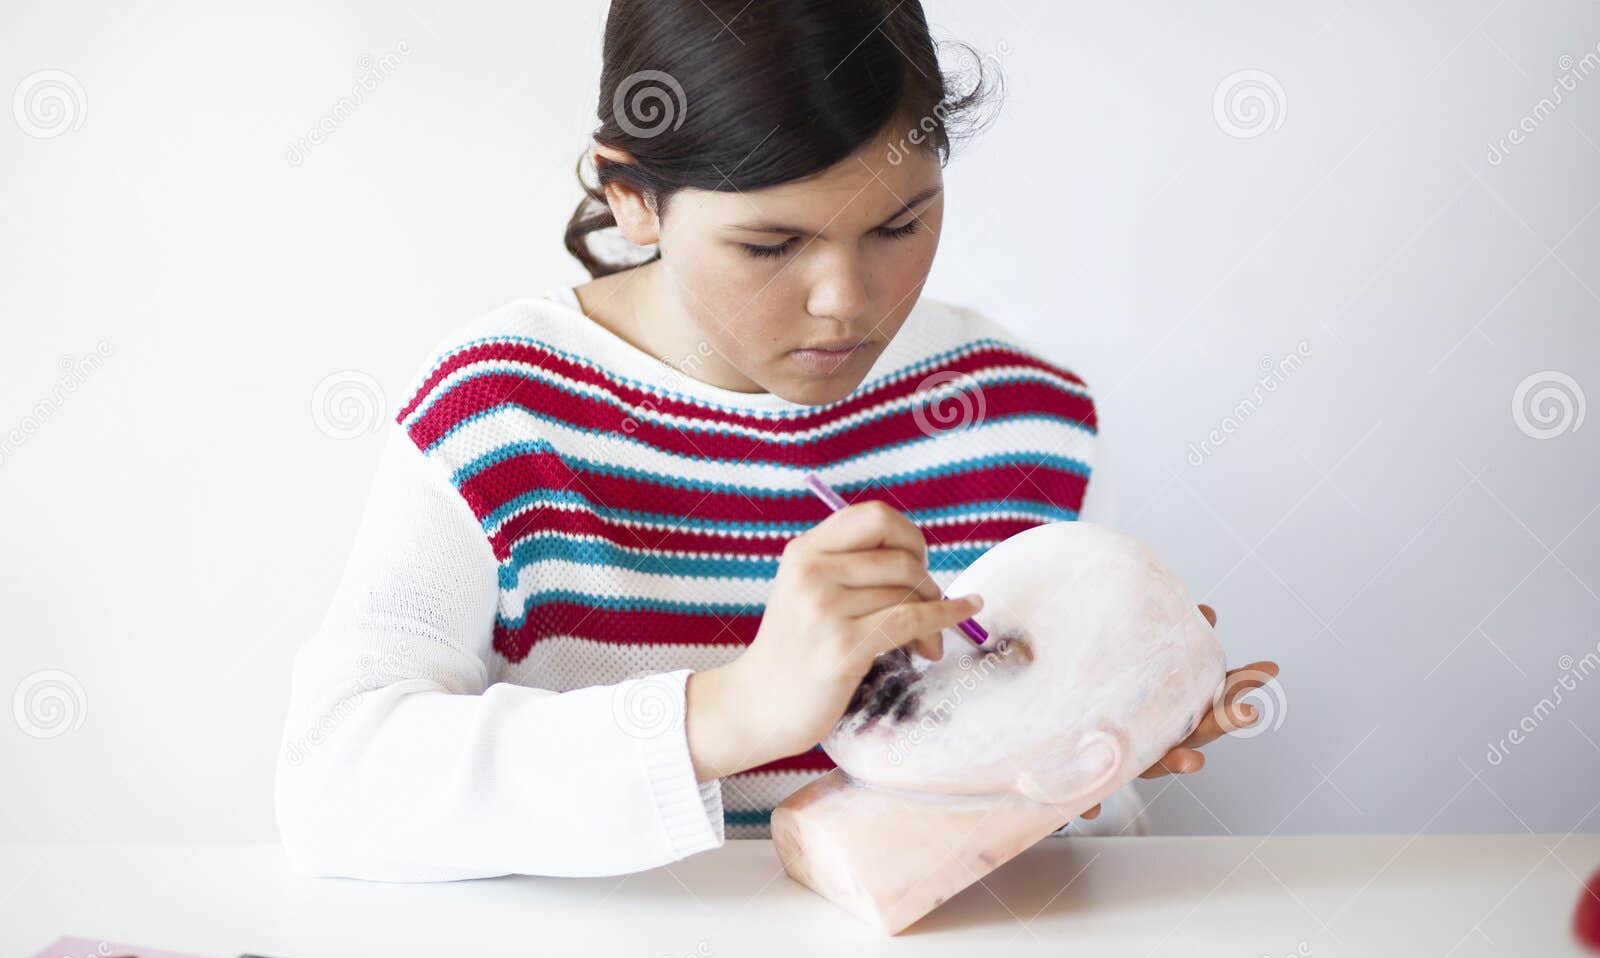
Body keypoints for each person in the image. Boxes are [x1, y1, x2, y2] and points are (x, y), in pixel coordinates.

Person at [274, 0, 1275, 882]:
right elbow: (335, 784)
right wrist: (735, 709)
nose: (846, 304)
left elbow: (1049, 859)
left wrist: (1085, 755)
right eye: (770, 245)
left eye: (900, 225)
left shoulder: (1018, 415)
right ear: (630, 195)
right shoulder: (497, 412)